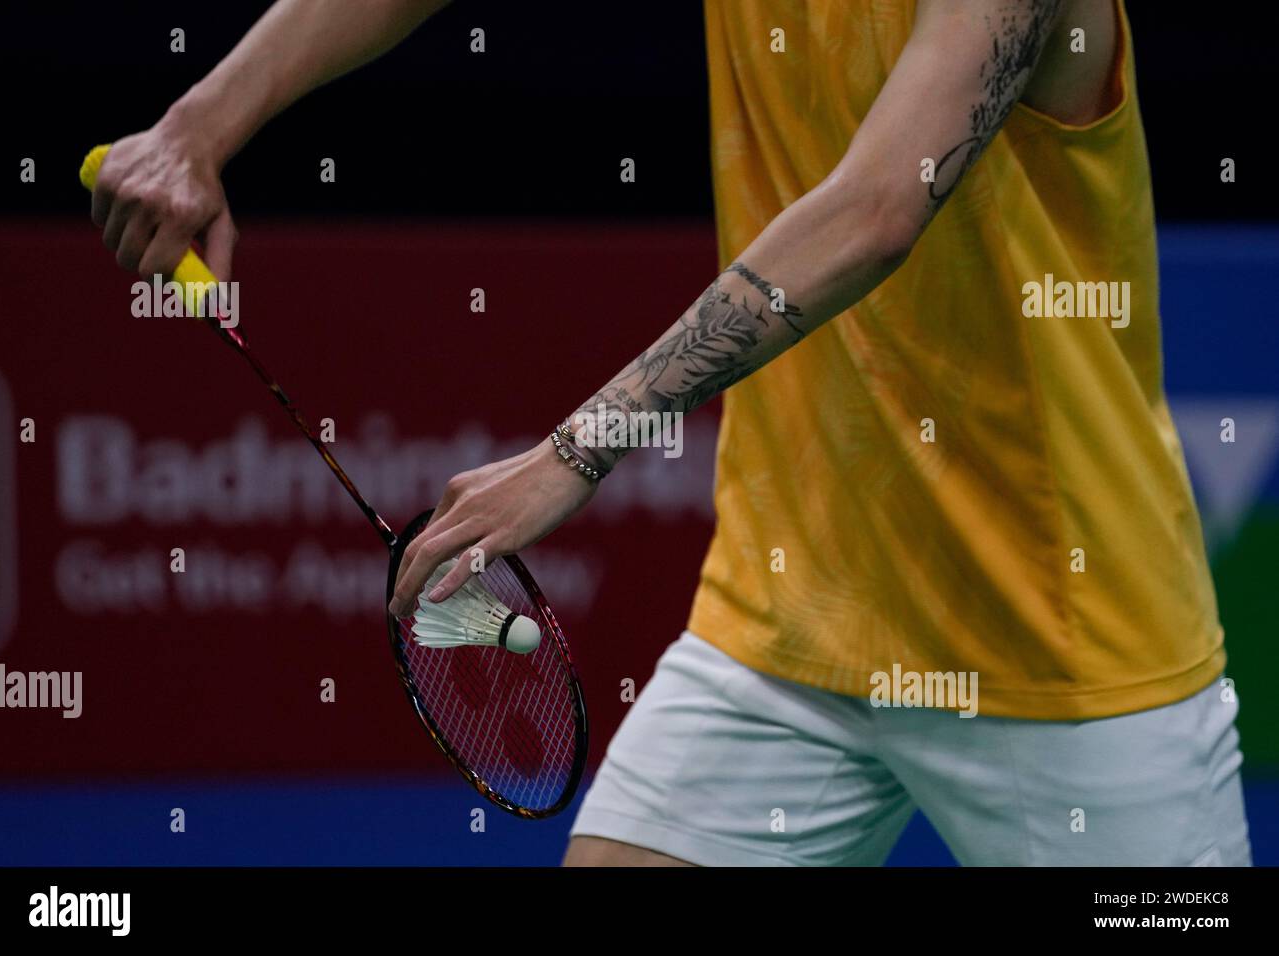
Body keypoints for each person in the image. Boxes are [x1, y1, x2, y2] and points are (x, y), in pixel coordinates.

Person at [90, 0, 1251, 866]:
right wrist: (202, 122)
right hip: (792, 617)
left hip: (1067, 649)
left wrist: (575, 447)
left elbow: (877, 207)